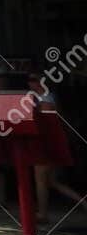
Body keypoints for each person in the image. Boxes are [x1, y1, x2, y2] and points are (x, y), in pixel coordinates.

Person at [26, 72, 81, 225]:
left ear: (41, 82)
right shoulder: (45, 98)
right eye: (29, 80)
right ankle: (82, 201)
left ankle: (42, 213)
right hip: (49, 144)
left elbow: (45, 124)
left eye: (33, 80)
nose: (30, 83)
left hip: (45, 145)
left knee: (40, 180)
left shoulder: (45, 100)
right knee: (51, 181)